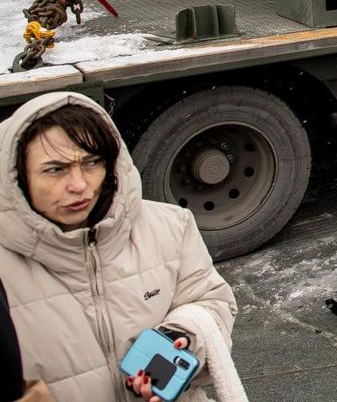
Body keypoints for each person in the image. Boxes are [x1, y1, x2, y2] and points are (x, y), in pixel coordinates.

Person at [0, 92, 238, 402]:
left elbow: (212, 304)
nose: (80, 185)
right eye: (55, 169)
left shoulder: (170, 225)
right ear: (17, 176)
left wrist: (185, 338)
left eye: (92, 162)